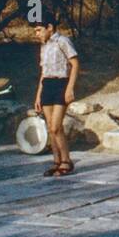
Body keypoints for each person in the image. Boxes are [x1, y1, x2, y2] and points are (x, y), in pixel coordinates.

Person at [33, 15, 79, 177]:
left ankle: (67, 160)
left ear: (50, 27)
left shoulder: (63, 41)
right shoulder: (43, 46)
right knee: (50, 129)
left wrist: (70, 88)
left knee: (56, 126)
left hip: (61, 84)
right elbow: (43, 73)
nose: (36, 34)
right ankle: (57, 161)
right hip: (47, 86)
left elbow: (75, 64)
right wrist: (38, 96)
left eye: (39, 30)